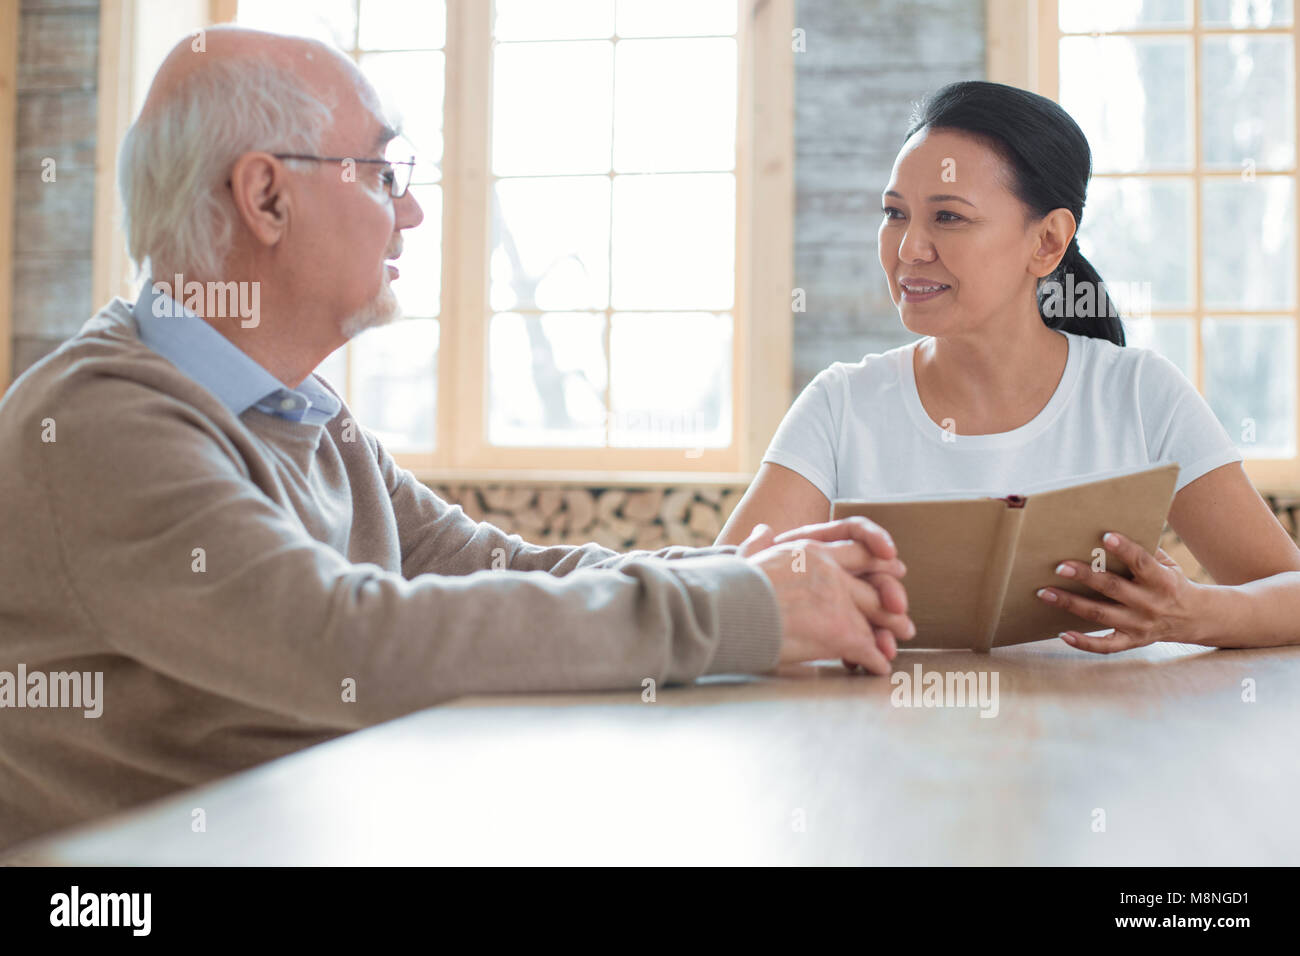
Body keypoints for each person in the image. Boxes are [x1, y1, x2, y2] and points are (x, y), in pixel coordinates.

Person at [0, 27, 912, 850]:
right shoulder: (99, 421)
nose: (413, 213)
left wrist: (755, 577)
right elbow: (346, 641)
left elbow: (488, 564)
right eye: (385, 173)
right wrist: (739, 608)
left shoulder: (306, 413)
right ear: (266, 197)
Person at [720, 80, 1300, 653]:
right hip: (886, 739)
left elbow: (1289, 590)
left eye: (948, 217)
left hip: (1106, 742)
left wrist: (1192, 612)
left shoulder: (1140, 394)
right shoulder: (840, 405)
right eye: (894, 213)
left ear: (1047, 241)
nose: (908, 249)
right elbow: (716, 598)